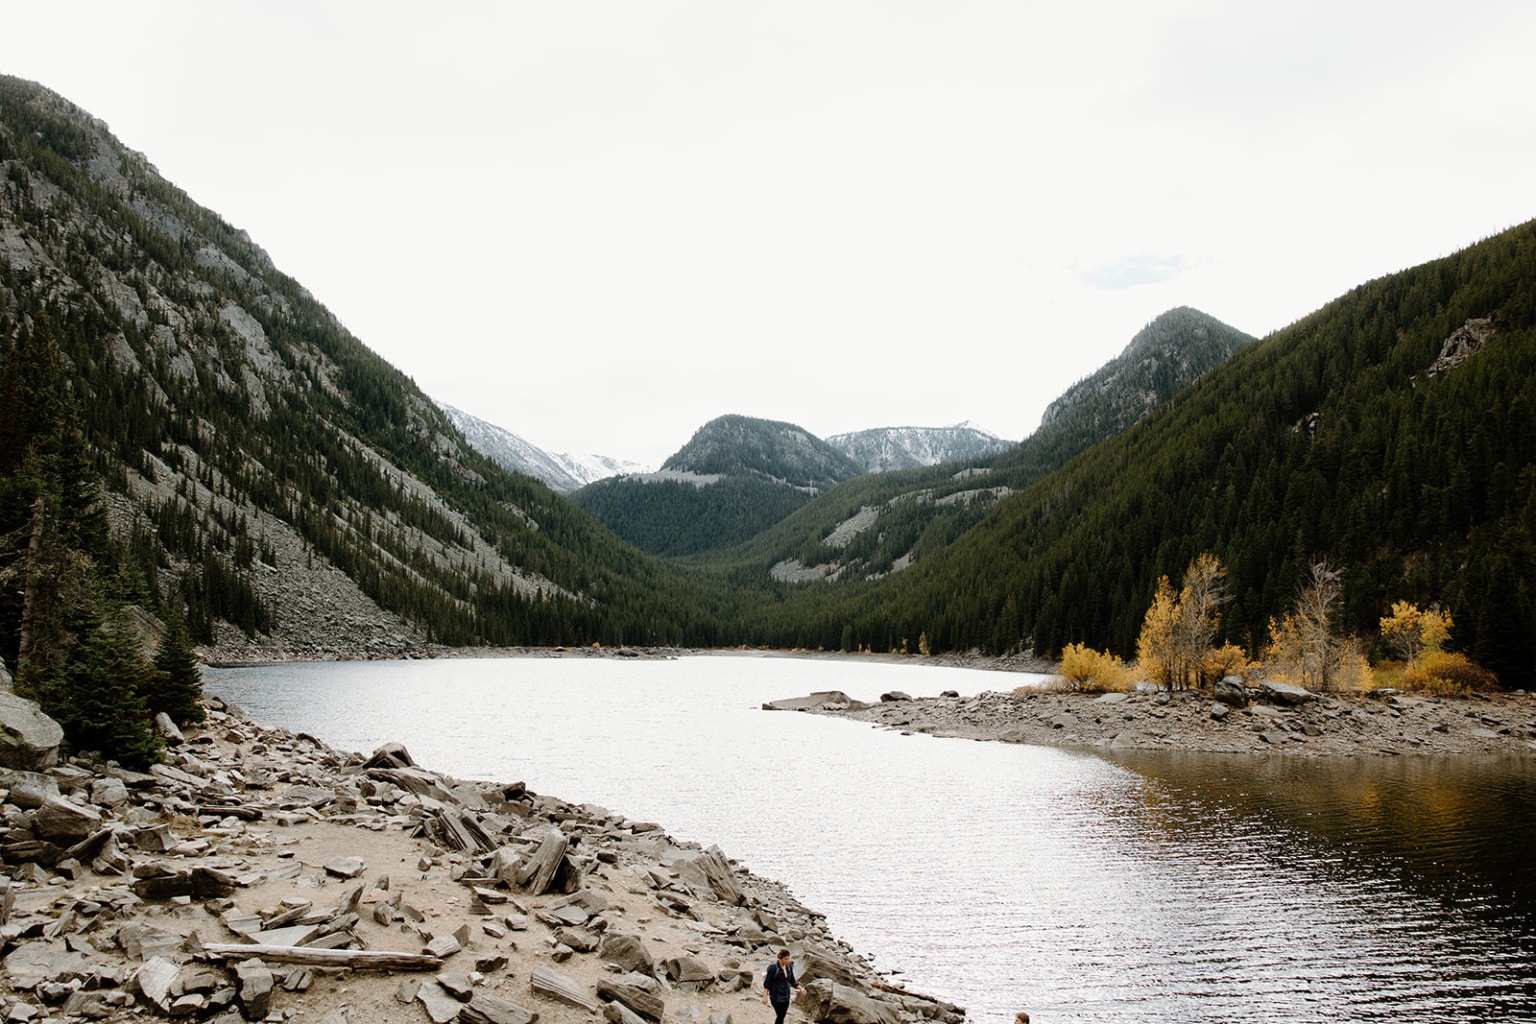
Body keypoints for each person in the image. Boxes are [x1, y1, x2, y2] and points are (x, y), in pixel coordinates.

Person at [761, 948, 805, 1024]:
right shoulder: (773, 967)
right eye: (785, 959)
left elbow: (792, 980)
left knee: (782, 1016)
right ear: (780, 958)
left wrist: (800, 988)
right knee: (780, 1016)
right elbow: (767, 983)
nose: (787, 961)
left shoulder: (789, 966)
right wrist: (765, 997)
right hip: (775, 996)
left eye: (788, 959)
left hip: (786, 996)